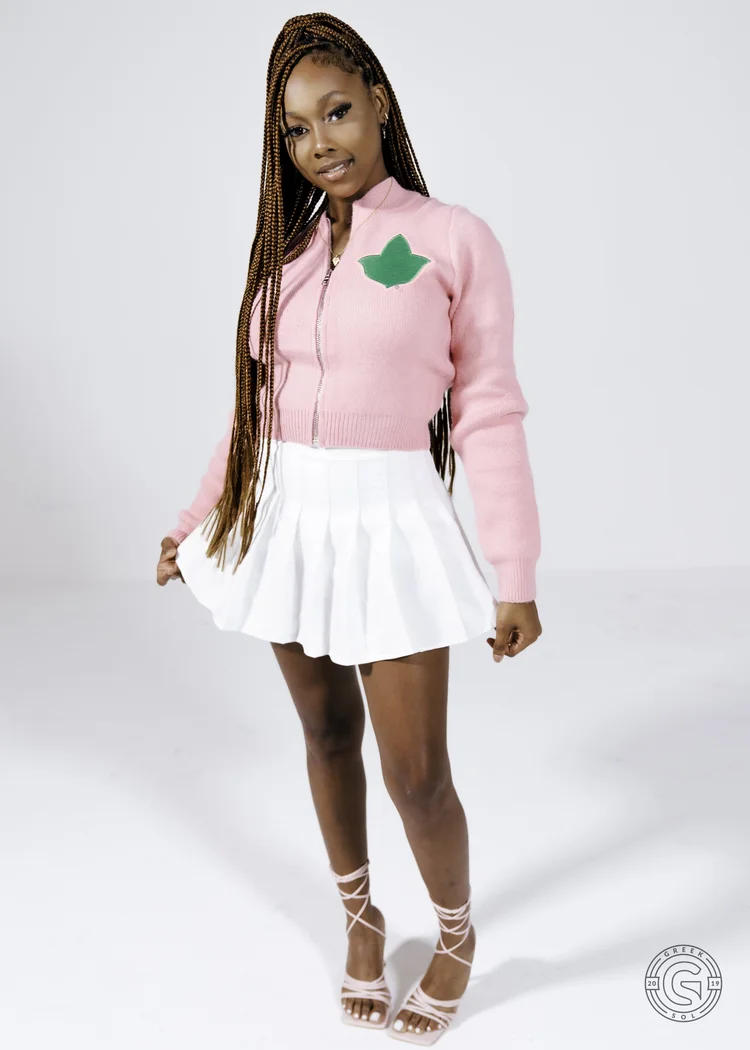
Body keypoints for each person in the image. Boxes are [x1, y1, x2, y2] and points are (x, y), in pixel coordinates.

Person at [156, 12, 542, 1044]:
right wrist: (196, 522)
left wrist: (514, 570)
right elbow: (252, 412)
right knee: (327, 733)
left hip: (390, 518)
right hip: (289, 516)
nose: (319, 141)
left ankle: (455, 933)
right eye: (295, 128)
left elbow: (488, 407)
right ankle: (361, 921)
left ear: (377, 102)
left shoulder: (452, 238)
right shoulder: (283, 254)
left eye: (336, 111)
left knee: (417, 773)